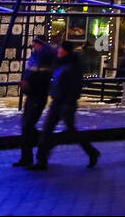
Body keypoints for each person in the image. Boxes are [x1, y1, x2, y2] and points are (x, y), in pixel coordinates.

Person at [32, 40, 101, 171]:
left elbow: (75, 86)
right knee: (48, 130)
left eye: (60, 49)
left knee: (68, 132)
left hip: (65, 103)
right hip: (57, 101)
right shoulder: (60, 63)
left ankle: (91, 152)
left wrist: (69, 102)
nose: (58, 50)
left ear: (65, 51)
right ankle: (41, 160)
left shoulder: (72, 66)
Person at [15, 36, 55, 168]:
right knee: (26, 126)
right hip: (32, 95)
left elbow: (42, 79)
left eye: (35, 44)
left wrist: (28, 85)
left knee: (27, 126)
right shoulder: (36, 57)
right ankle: (27, 157)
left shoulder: (44, 57)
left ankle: (44, 144)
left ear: (41, 45)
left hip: (37, 96)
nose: (33, 46)